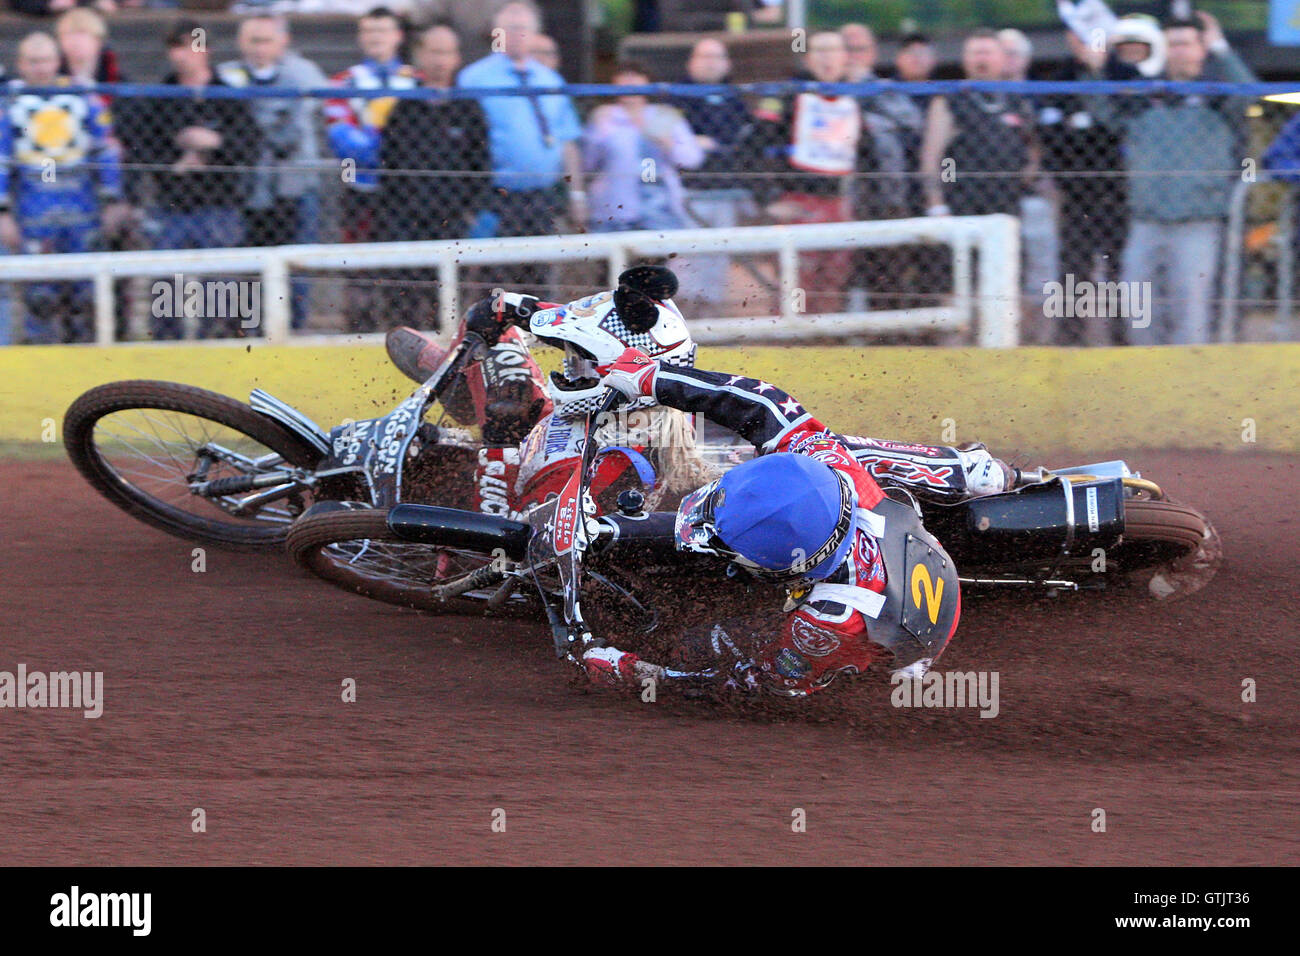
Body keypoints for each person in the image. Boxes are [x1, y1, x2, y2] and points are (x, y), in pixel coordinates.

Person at [579, 347, 972, 694]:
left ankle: (968, 471)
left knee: (709, 642)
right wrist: (653, 378)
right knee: (850, 449)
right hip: (897, 545)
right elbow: (763, 404)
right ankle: (970, 471)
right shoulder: (828, 465)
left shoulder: (826, 621)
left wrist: (637, 672)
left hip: (892, 642)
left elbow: (756, 682)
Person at [385, 265, 710, 519]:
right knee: (499, 334)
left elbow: (521, 541)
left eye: (581, 361)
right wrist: (496, 313)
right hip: (554, 428)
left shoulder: (624, 468)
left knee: (505, 414)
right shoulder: (654, 395)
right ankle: (461, 383)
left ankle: (476, 417)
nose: (571, 368)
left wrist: (500, 447)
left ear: (620, 372)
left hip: (514, 513)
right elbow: (505, 308)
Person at [114, 20, 261, 339]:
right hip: (171, 204)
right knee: (165, 283)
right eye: (175, 47)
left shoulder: (228, 96)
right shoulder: (159, 97)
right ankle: (168, 344)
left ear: (206, 50)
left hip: (219, 204)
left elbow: (251, 145)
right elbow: (139, 146)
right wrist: (174, 163)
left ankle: (220, 341)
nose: (181, 56)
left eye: (189, 47)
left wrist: (215, 143)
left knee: (220, 286)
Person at [1119, 13, 1255, 345]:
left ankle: (1188, 384)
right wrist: (1096, 68)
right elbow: (1103, 112)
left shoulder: (1219, 94)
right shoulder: (1144, 93)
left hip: (1198, 221)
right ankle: (1144, 376)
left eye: (1186, 43)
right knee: (1137, 305)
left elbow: (1249, 94)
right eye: (1171, 44)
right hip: (1145, 220)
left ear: (1201, 48)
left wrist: (1221, 47)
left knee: (1191, 309)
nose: (1178, 51)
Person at [0, 31, 128, 343]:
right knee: (40, 299)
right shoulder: (8, 102)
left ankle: (91, 366)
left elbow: (106, 149)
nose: (40, 68)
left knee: (86, 298)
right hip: (32, 208)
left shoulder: (82, 96)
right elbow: (0, 157)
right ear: (20, 64)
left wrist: (113, 199)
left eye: (45, 61)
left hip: (82, 206)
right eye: (32, 61)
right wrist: (2, 211)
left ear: (57, 62)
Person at [457, 0, 583, 286]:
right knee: (495, 278)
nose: (517, 35)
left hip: (542, 197)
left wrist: (577, 195)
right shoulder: (474, 79)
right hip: (496, 197)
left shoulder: (550, 80)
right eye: (510, 29)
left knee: (538, 276)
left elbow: (567, 141)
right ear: (495, 32)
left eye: (524, 29)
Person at [753, 30, 876, 314]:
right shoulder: (789, 95)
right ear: (808, 59)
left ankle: (825, 346)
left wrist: (864, 202)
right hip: (797, 201)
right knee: (795, 282)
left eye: (833, 51)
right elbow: (754, 146)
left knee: (834, 281)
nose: (827, 58)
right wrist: (768, 198)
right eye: (819, 51)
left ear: (845, 58)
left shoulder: (855, 99)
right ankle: (787, 346)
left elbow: (869, 155)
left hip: (839, 203)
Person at [218, 14, 328, 330]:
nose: (259, 48)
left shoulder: (303, 76)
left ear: (283, 42)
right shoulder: (228, 78)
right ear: (241, 43)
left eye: (266, 40)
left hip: (294, 184)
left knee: (295, 261)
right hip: (247, 188)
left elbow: (293, 129)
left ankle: (294, 325)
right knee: (246, 262)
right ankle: (244, 326)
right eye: (253, 40)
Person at [376, 24, 489, 327]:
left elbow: (481, 166)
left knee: (452, 298)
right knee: (405, 296)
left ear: (457, 58)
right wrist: (395, 215)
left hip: (453, 221)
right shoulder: (405, 109)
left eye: (448, 52)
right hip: (407, 222)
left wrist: (469, 212)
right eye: (435, 52)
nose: (441, 60)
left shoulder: (468, 108)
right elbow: (389, 168)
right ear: (420, 57)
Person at [1037, 27, 1140, 345]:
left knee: (1118, 272)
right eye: (1081, 39)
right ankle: (1069, 339)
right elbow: (1049, 134)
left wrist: (1098, 76)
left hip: (1117, 193)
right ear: (1071, 40)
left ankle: (1121, 341)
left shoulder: (1127, 75)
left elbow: (1125, 127)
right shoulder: (1059, 79)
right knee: (1072, 270)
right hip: (1074, 193)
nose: (1089, 46)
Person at [324, 6, 419, 331]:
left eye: (383, 30)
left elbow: (422, 139)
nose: (375, 38)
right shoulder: (342, 82)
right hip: (359, 189)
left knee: (405, 273)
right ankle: (357, 336)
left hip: (407, 196)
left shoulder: (417, 81)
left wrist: (375, 140)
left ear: (398, 36)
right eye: (369, 31)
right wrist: (394, 146)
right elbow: (343, 142)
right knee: (359, 271)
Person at [669, 37, 755, 316]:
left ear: (726, 64)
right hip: (686, 189)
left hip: (725, 188)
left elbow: (741, 138)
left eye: (716, 57)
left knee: (718, 254)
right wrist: (693, 142)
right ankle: (680, 310)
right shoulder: (675, 96)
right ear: (691, 62)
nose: (710, 63)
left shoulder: (734, 98)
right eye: (703, 56)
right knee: (686, 252)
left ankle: (710, 311)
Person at [921, 29, 1036, 219]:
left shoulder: (1016, 101)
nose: (981, 59)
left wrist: (1023, 179)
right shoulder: (949, 100)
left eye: (987, 52)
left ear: (1001, 57)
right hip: (961, 201)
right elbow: (933, 155)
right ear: (965, 59)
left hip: (1007, 202)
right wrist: (936, 203)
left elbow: (1032, 149)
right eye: (975, 53)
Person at [582, 60, 703, 232]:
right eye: (623, 76)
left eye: (636, 76)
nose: (629, 81)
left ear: (648, 81)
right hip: (614, 211)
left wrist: (667, 143)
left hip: (660, 210)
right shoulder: (605, 116)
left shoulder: (664, 115)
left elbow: (692, 159)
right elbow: (588, 164)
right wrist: (599, 131)